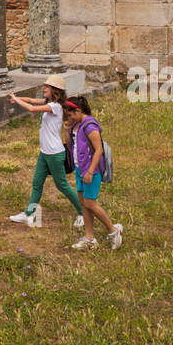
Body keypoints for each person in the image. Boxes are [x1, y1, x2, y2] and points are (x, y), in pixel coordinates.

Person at [7, 74, 83, 229]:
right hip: (45, 152)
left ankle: (83, 213)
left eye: (46, 86)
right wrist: (16, 98)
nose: (44, 88)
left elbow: (32, 108)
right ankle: (29, 213)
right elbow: (30, 100)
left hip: (55, 153)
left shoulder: (56, 106)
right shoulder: (49, 102)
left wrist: (17, 100)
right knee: (37, 183)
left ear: (55, 90)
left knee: (62, 185)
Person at [62, 97, 123, 251]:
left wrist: (90, 171)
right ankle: (90, 238)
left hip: (91, 171)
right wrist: (67, 130)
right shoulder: (76, 125)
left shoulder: (90, 126)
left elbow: (98, 150)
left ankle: (113, 231)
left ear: (78, 110)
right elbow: (70, 145)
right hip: (79, 170)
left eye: (69, 115)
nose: (68, 118)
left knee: (90, 203)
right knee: (84, 204)